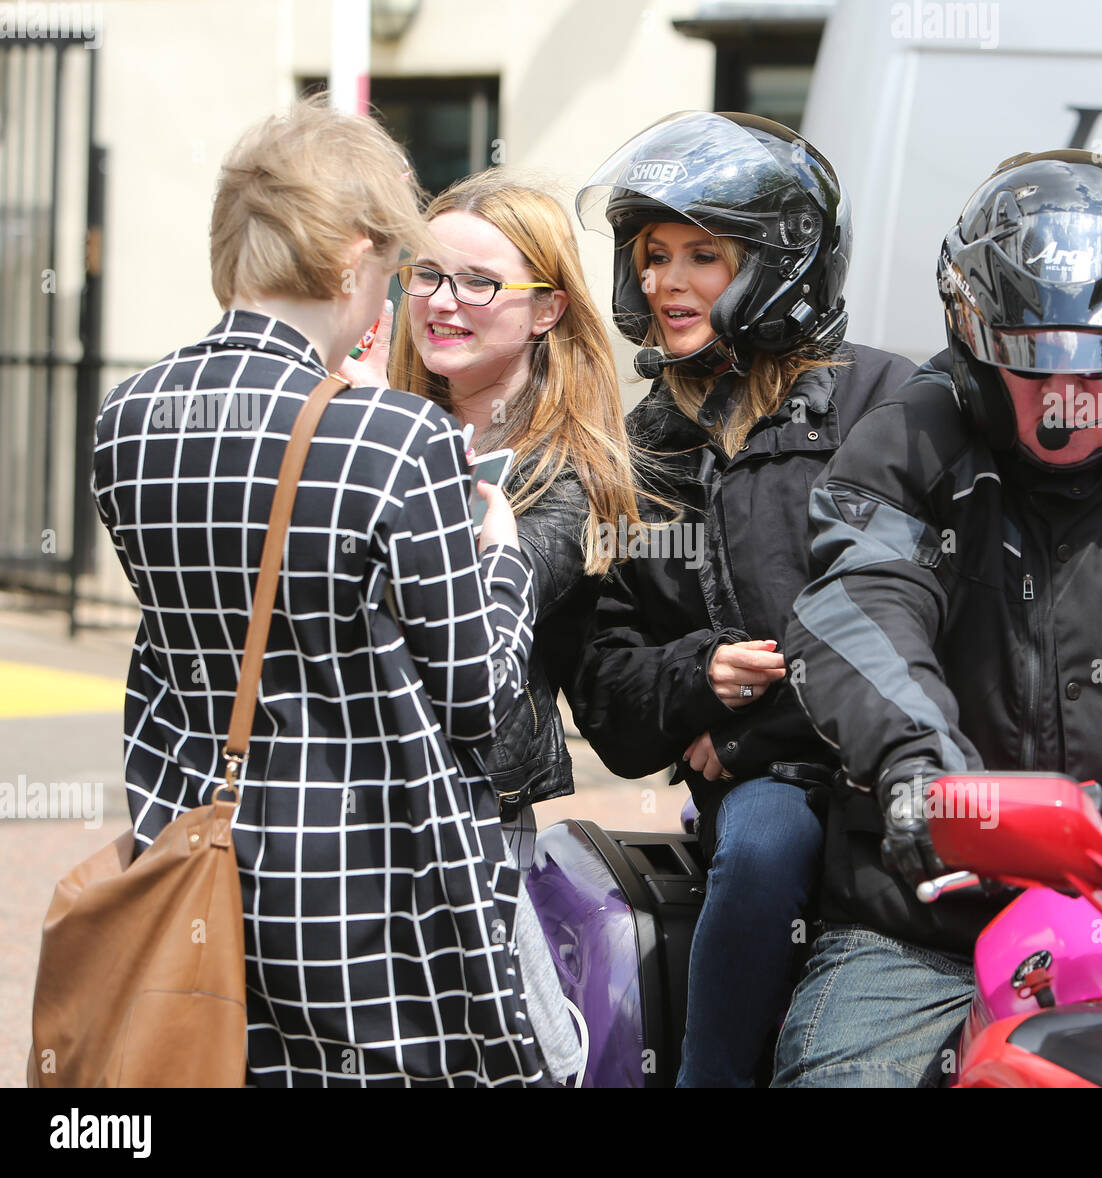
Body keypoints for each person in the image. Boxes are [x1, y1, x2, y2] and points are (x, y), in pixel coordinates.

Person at [773, 149, 1102, 1087]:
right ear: (977, 345)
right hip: (932, 921)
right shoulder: (908, 448)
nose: (1069, 394)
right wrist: (922, 775)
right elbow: (859, 605)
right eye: (1035, 363)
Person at [92, 98, 546, 1086]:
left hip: (185, 864)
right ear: (352, 255)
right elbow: (478, 700)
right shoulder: (399, 437)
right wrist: (503, 560)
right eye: (392, 266)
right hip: (362, 895)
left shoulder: (125, 419)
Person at [569, 111, 916, 1087]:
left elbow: (944, 617)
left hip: (910, 760)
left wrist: (759, 724)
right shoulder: (640, 452)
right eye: (651, 255)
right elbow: (604, 678)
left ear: (781, 263)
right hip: (778, 790)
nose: (663, 282)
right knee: (763, 847)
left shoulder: (893, 404)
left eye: (700, 256)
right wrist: (696, 676)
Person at [354, 171, 644, 1082]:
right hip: (351, 793)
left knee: (502, 1048)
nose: (442, 302)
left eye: (480, 283)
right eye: (427, 275)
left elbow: (495, 611)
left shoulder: (572, 471)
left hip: (474, 807)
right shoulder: (382, 428)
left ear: (549, 309)